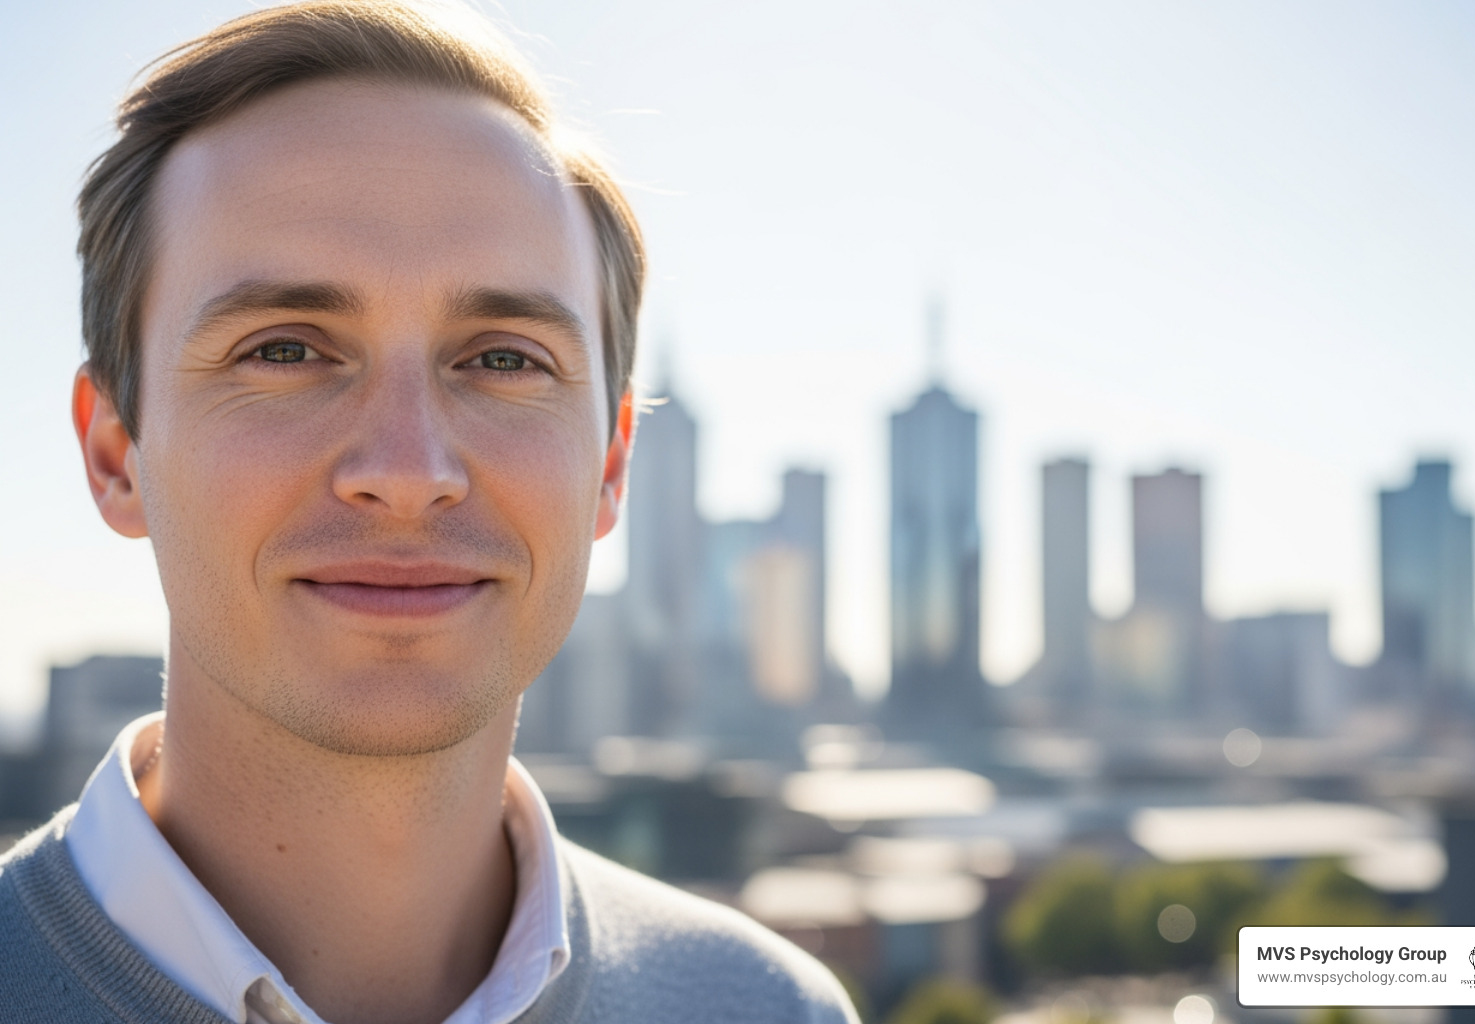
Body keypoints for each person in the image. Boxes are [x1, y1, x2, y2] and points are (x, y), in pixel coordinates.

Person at [0, 2, 859, 1022]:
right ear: (114, 453)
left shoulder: (764, 1009)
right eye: (283, 349)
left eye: (503, 359)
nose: (409, 471)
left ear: (611, 467)